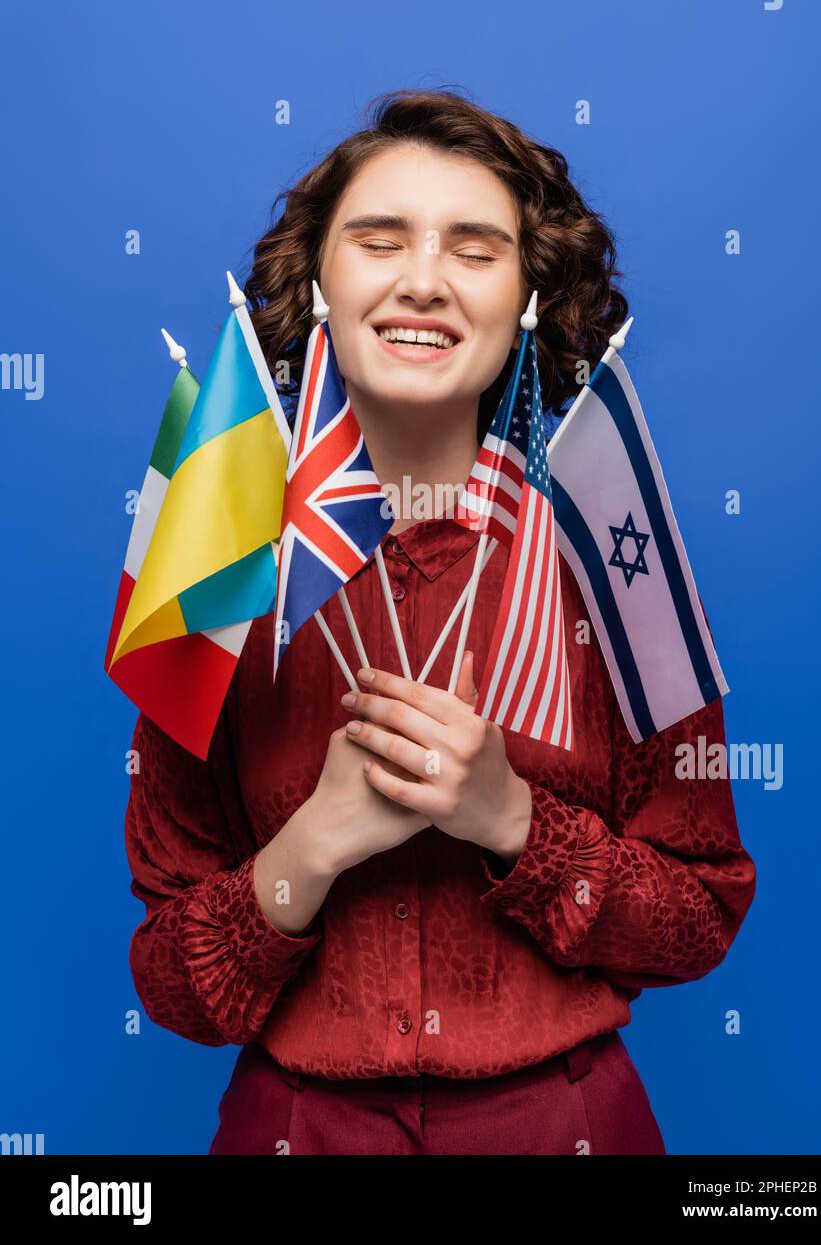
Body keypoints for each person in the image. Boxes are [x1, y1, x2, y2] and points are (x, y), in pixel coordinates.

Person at [124, 88, 756, 1155]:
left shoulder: (617, 560)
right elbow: (177, 987)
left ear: (526, 297)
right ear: (318, 281)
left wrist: (513, 819)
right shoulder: (216, 560)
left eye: (475, 248)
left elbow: (698, 919)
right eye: (380, 240)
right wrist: (313, 844)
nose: (423, 279)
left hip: (565, 1127)